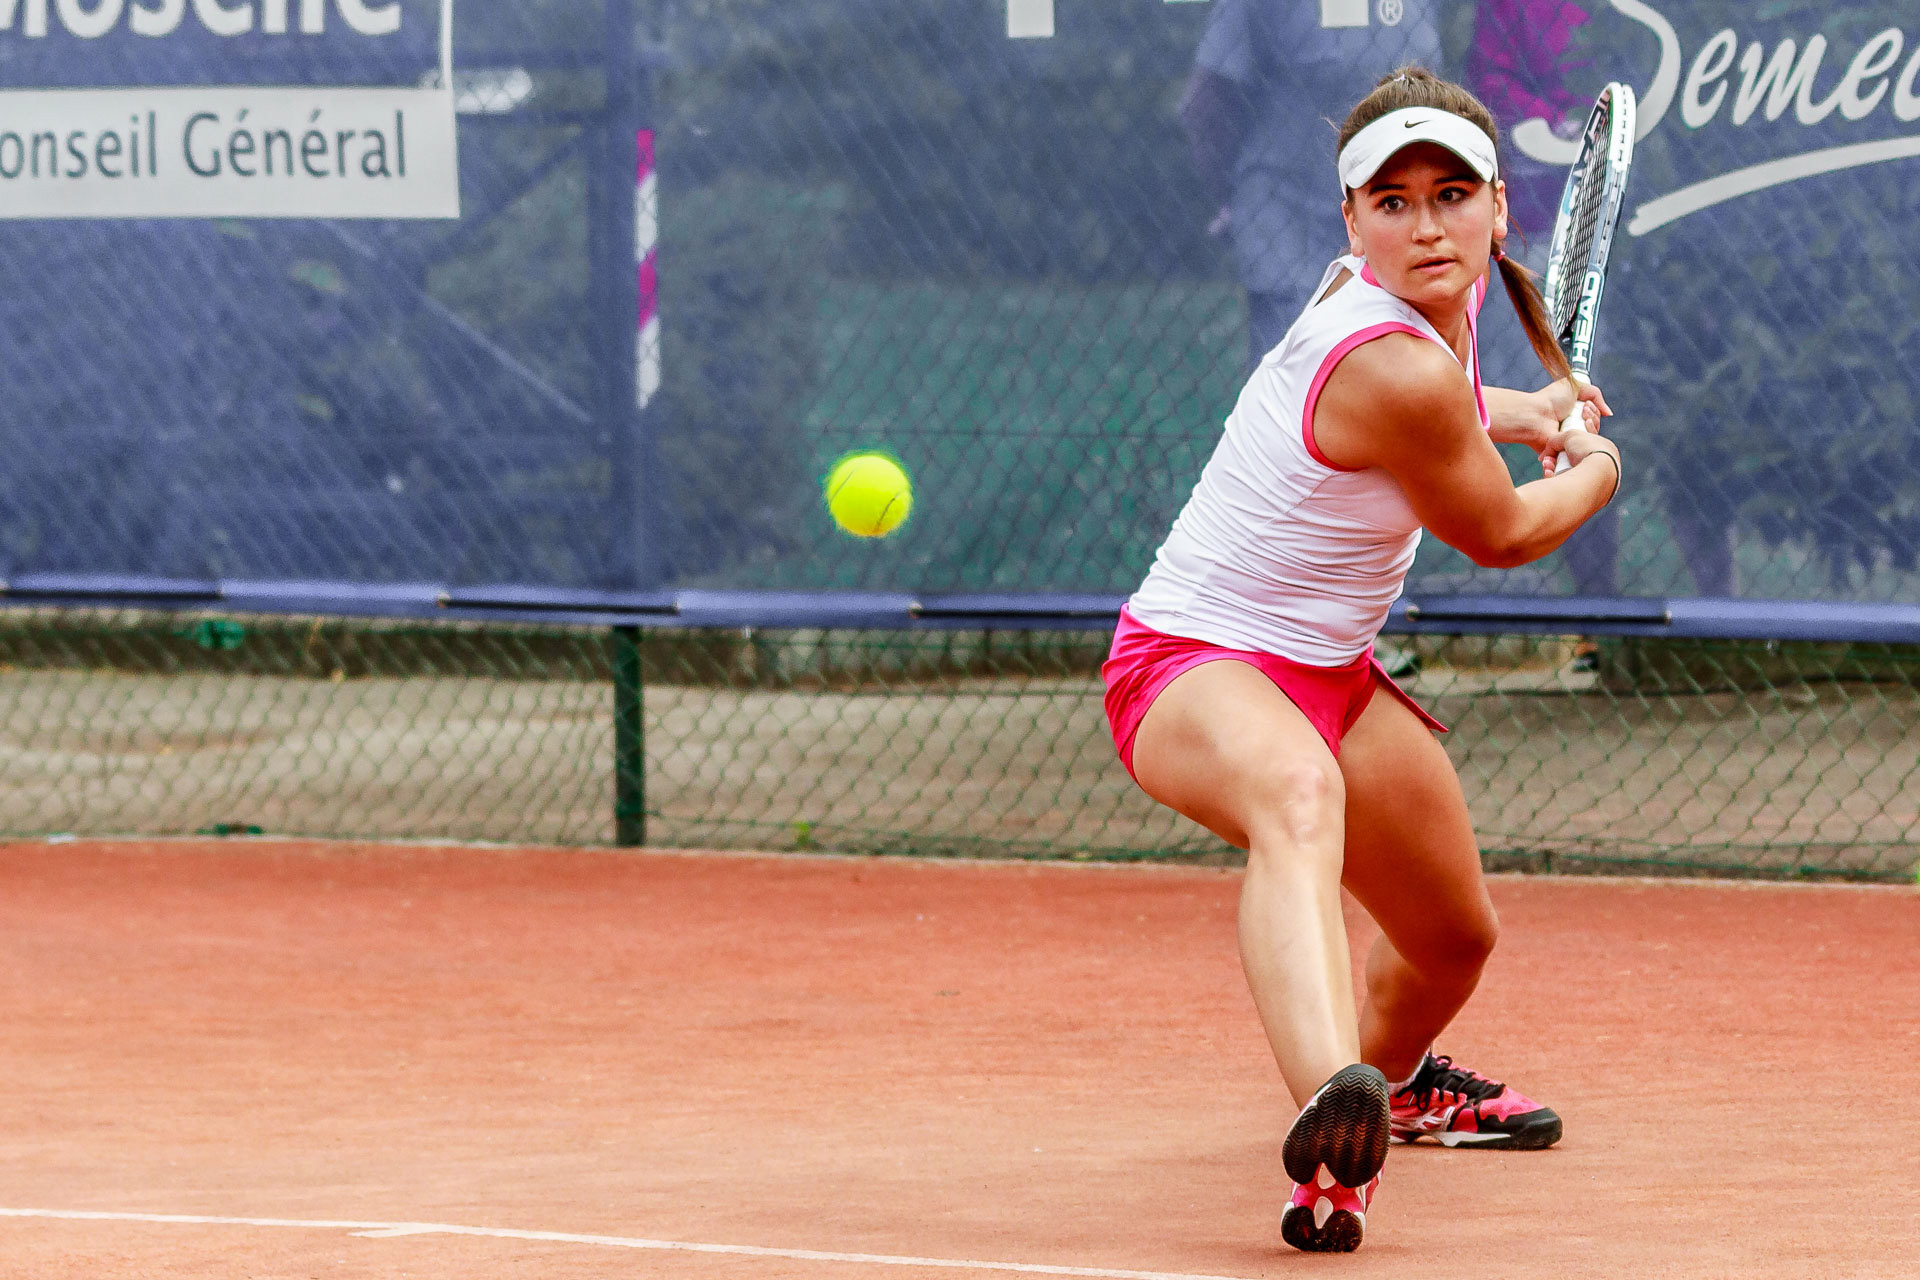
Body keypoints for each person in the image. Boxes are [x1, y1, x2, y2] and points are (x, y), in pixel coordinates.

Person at [1104, 67, 1620, 1253]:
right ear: (1352, 223)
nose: (1424, 225)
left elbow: (1445, 405)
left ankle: (1380, 1094)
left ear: (1499, 204)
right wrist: (1596, 470)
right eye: (1391, 202)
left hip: (1332, 672)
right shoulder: (1389, 355)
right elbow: (1498, 530)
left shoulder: (1434, 314)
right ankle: (1328, 1084)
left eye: (1450, 194)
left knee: (1452, 936)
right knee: (1298, 796)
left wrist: (1528, 412)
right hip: (1189, 661)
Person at [1181, 0, 1446, 371]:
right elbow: (1208, 102)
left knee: (1404, 381)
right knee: (1292, 382)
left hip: (1397, 225)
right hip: (1287, 220)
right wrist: (1232, 199)